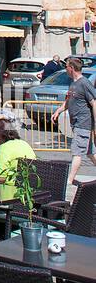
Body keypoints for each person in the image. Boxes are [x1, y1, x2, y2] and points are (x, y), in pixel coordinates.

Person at [51, 57, 96, 186]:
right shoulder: (74, 84)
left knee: (77, 152)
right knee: (90, 153)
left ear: (71, 68)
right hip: (77, 124)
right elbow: (68, 101)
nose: (65, 69)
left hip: (83, 123)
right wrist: (58, 111)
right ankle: (70, 179)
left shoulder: (84, 83)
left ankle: (69, 180)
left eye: (66, 67)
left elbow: (94, 103)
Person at [0, 121, 36, 200]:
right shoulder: (24, 143)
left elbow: (1, 177)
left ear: (0, 135)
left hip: (11, 193)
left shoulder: (5, 148)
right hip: (29, 189)